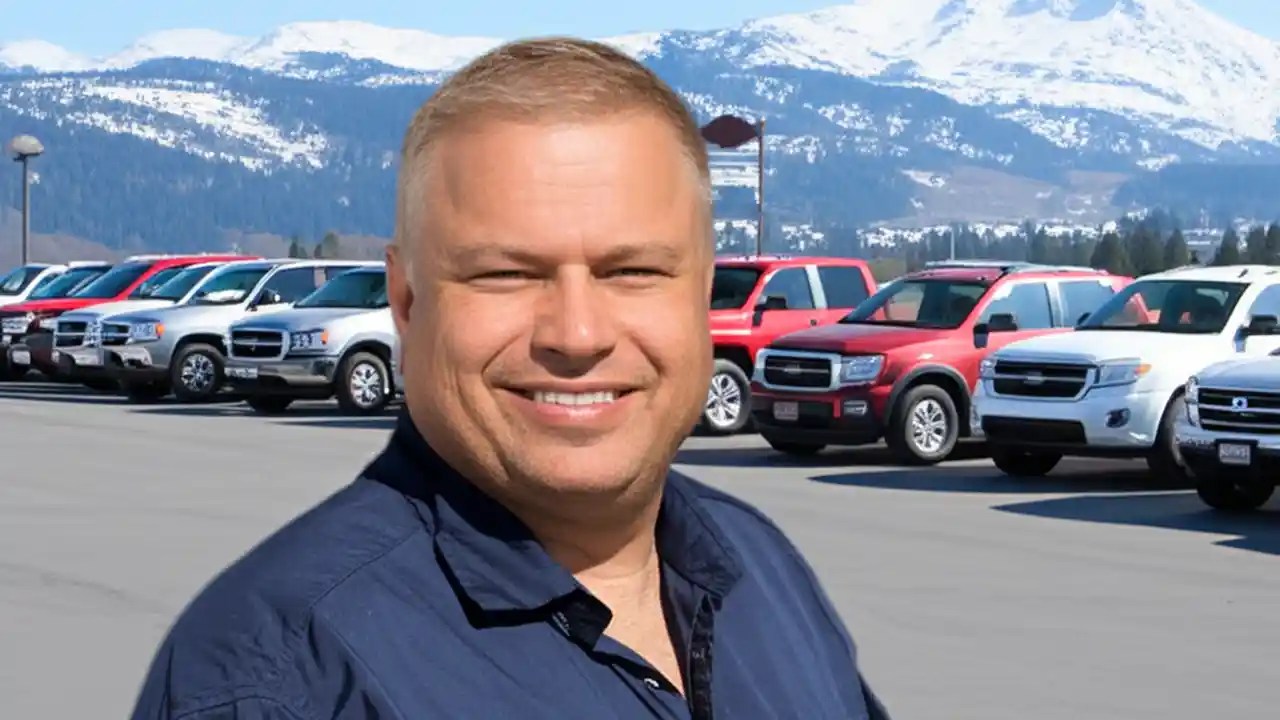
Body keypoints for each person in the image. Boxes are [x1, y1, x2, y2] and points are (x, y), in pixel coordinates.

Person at [129, 37, 890, 719]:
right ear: (406, 299)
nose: (577, 335)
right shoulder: (284, 680)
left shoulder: (761, 571)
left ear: (700, 295)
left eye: (632, 271)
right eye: (505, 273)